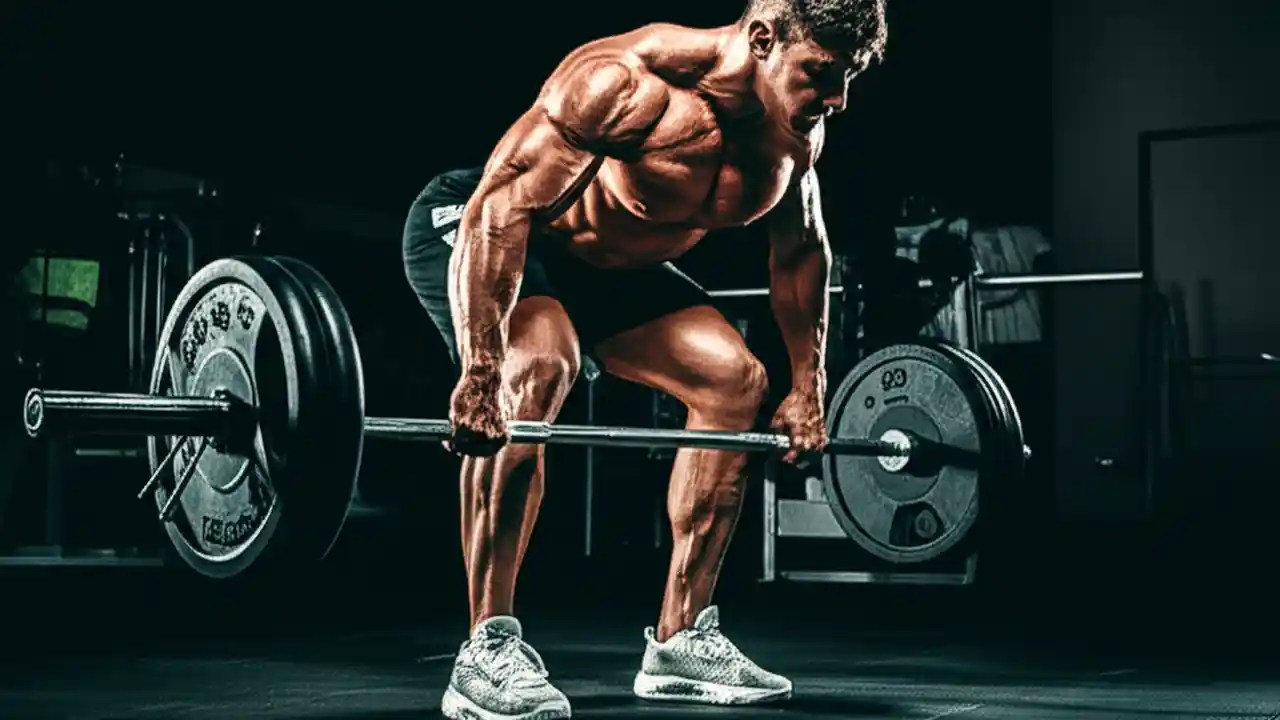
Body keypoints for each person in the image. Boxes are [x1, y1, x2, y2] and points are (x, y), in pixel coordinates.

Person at [402, 1, 887, 717]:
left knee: (735, 381)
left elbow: (800, 253)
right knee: (538, 367)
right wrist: (479, 371)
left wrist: (807, 387)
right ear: (762, 39)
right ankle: (486, 650)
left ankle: (679, 639)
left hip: (612, 270)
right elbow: (499, 209)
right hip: (499, 231)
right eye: (821, 72)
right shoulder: (628, 82)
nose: (837, 98)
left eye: (849, 77)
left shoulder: (794, 137)